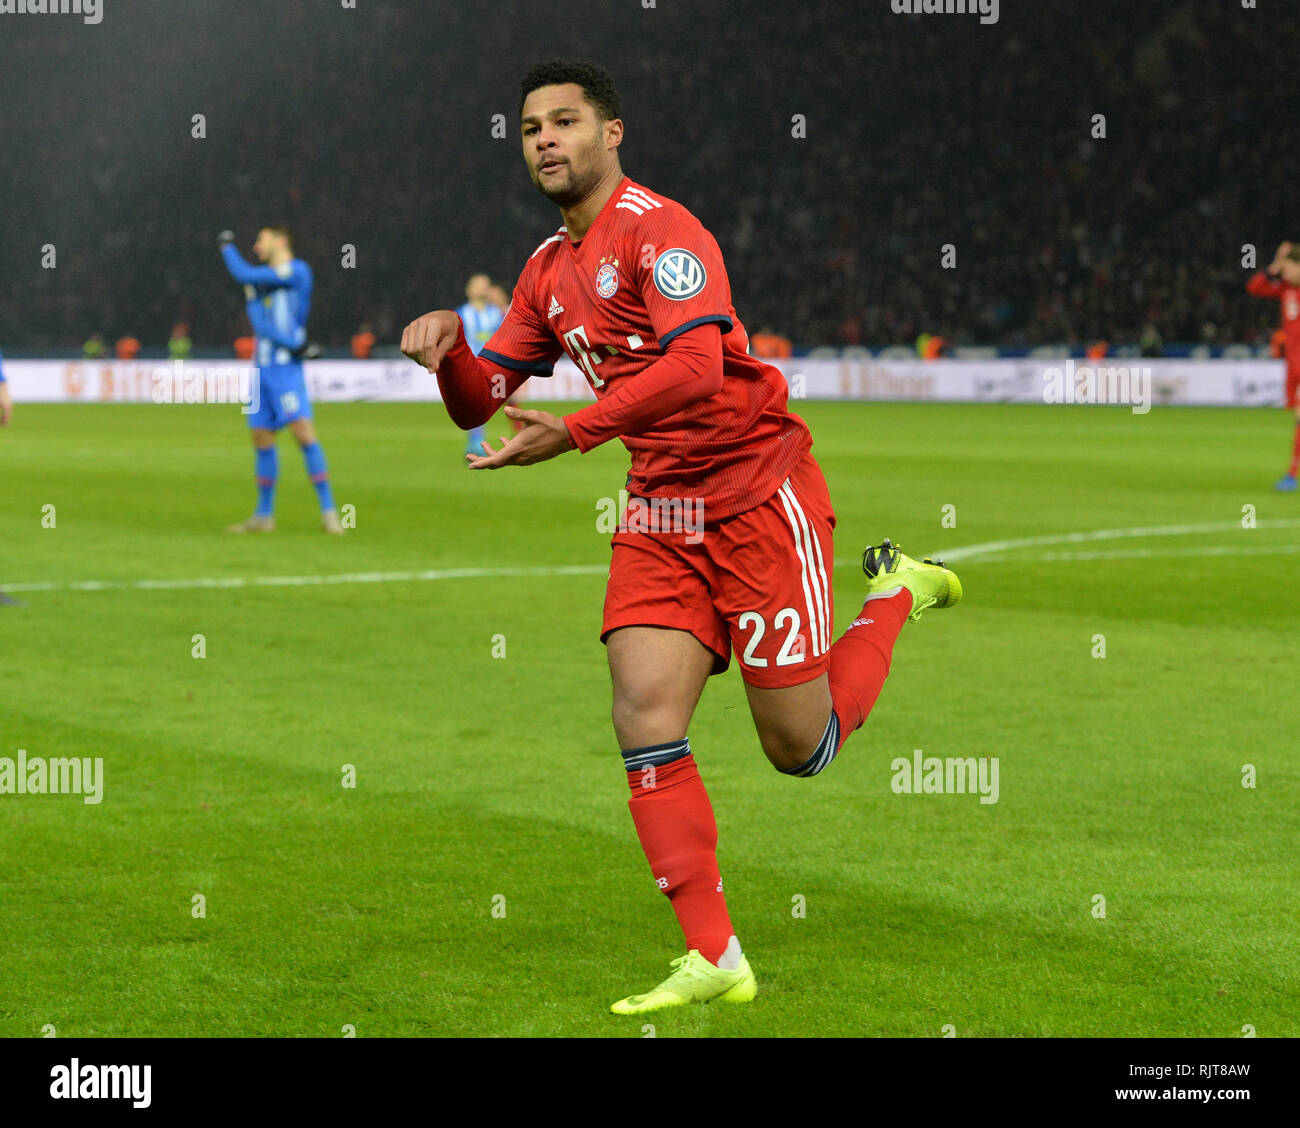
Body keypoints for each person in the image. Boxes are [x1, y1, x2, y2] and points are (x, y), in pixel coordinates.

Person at [401, 57, 963, 1015]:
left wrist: (575, 428)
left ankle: (898, 592)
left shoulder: (662, 232)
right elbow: (483, 399)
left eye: (565, 121)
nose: (545, 138)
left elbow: (699, 365)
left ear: (610, 134)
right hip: (661, 508)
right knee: (643, 712)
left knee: (802, 749)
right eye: (531, 125)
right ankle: (716, 955)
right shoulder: (546, 270)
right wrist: (450, 356)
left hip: (756, 491)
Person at [218, 226, 343, 533]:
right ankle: (264, 515)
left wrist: (226, 246)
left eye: (261, 238)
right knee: (261, 437)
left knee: (302, 432)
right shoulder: (258, 283)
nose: (257, 245)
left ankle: (329, 512)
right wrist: (295, 345)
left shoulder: (298, 271)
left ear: (281, 239)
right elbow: (259, 322)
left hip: (286, 370)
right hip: (261, 371)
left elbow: (244, 274)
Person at [1246, 241, 1300, 491]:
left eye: (1289, 268)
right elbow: (1254, 287)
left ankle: (1291, 474)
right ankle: (1291, 474)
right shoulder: (1285, 288)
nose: (1284, 273)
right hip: (1293, 363)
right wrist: (1275, 266)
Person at [457, 275, 505, 457]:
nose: (482, 289)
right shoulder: (461, 313)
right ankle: (476, 443)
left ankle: (519, 434)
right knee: (475, 403)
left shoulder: (495, 313)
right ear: (469, 290)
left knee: (501, 401)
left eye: (485, 286)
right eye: (478, 286)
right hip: (469, 366)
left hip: (494, 364)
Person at [0, 346, 11, 427]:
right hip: (2, 380)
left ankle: (5, 420)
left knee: (5, 403)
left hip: (1, 380)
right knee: (6, 403)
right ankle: (5, 420)